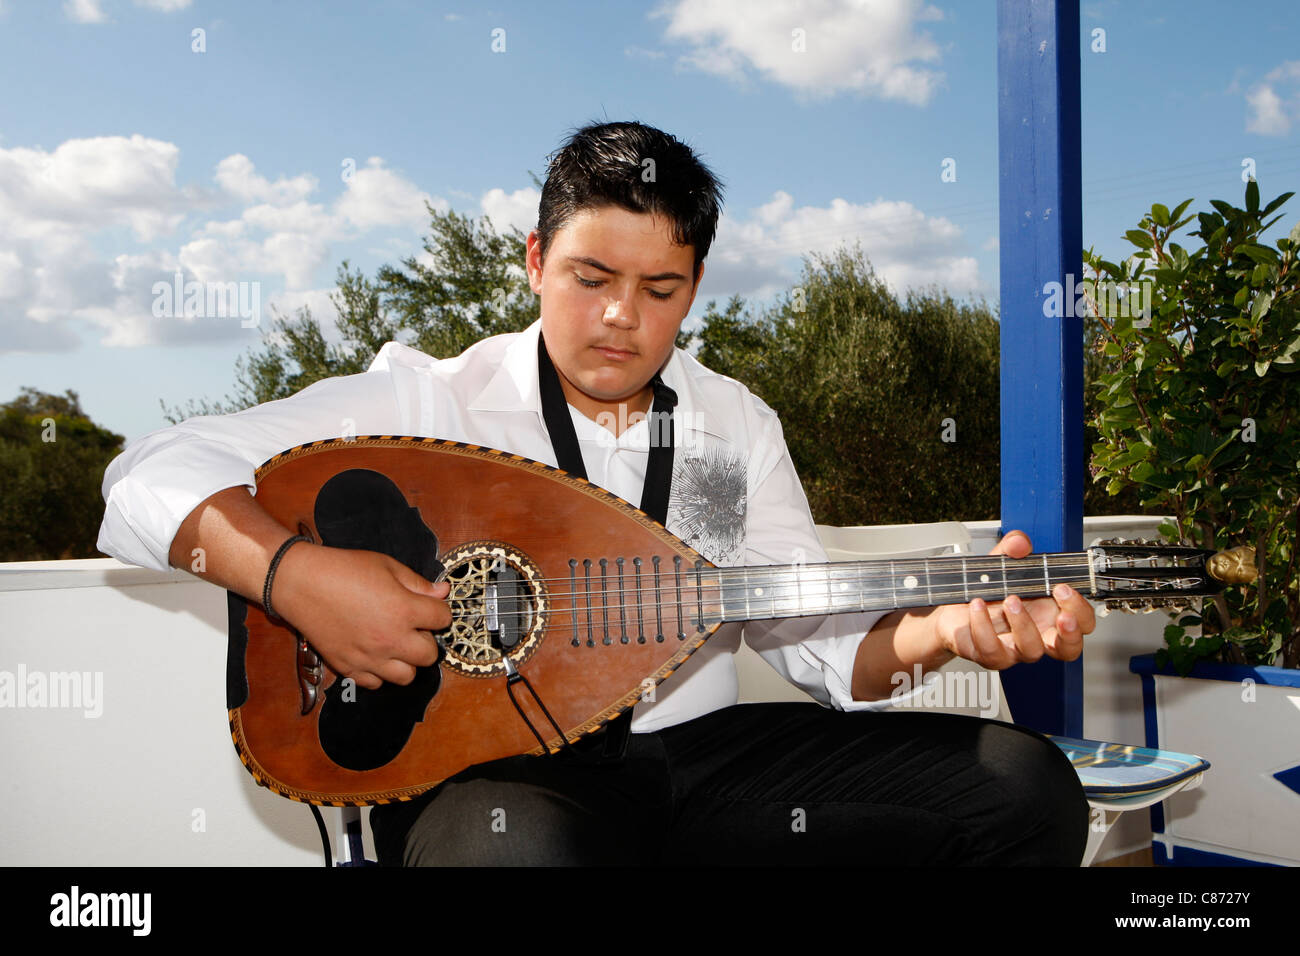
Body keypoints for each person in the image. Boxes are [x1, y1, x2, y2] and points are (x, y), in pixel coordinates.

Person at [99, 120, 1095, 866]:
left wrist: (945, 632)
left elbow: (824, 646)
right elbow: (142, 477)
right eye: (589, 275)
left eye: (659, 289)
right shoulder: (431, 401)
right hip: (496, 776)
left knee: (1019, 786)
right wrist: (295, 574)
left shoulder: (727, 426)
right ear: (534, 262)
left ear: (694, 288)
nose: (621, 316)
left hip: (698, 760)